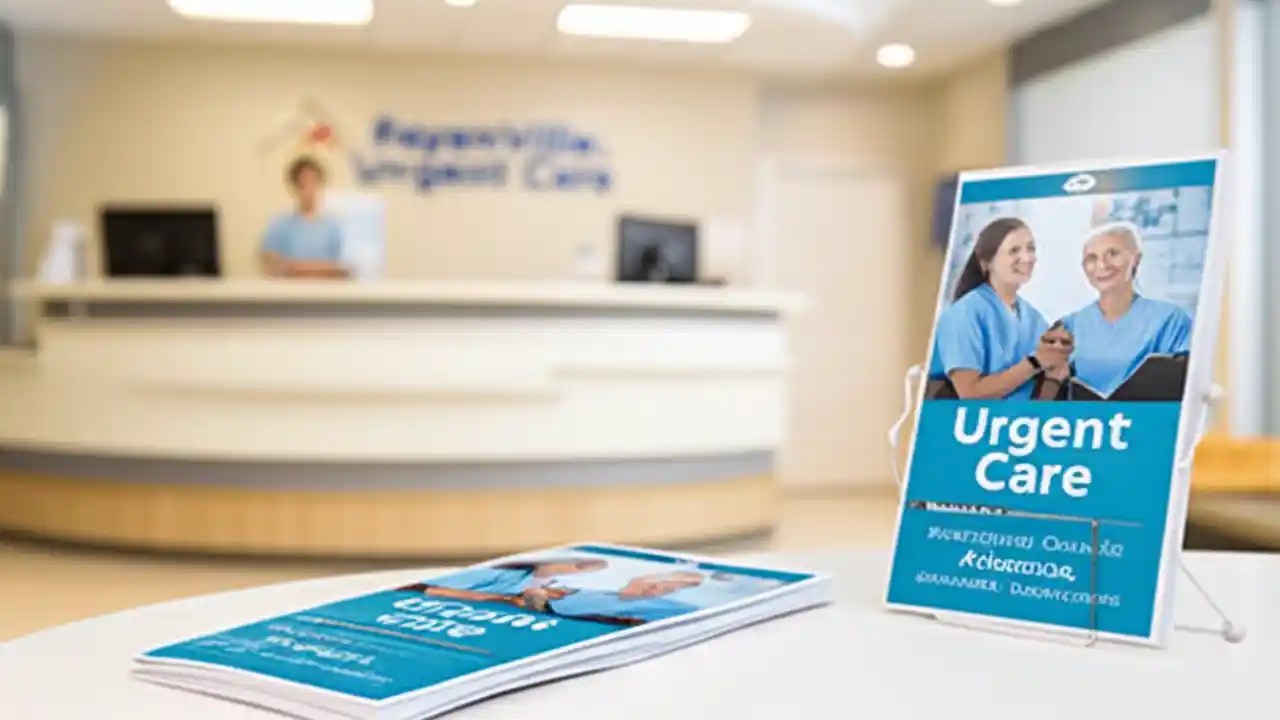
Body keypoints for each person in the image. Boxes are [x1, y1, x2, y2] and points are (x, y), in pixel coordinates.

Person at [931, 217, 1069, 399]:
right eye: (1014, 251)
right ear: (986, 262)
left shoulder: (1035, 320)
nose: (1027, 258)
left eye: (1031, 248)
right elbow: (970, 394)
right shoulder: (965, 313)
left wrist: (1055, 377)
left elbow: (1038, 401)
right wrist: (1035, 362)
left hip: (1017, 424)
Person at [1058, 222, 1193, 396]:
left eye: (1113, 254)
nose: (1102, 265)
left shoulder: (1170, 320)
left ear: (1136, 259)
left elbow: (1184, 384)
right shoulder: (1069, 326)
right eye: (1092, 258)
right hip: (1087, 421)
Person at [260, 156, 349, 278]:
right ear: (294, 188)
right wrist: (315, 268)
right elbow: (271, 264)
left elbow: (340, 268)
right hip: (288, 293)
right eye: (303, 184)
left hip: (325, 292)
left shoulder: (332, 226)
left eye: (313, 182)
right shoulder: (279, 224)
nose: (309, 190)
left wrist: (297, 267)